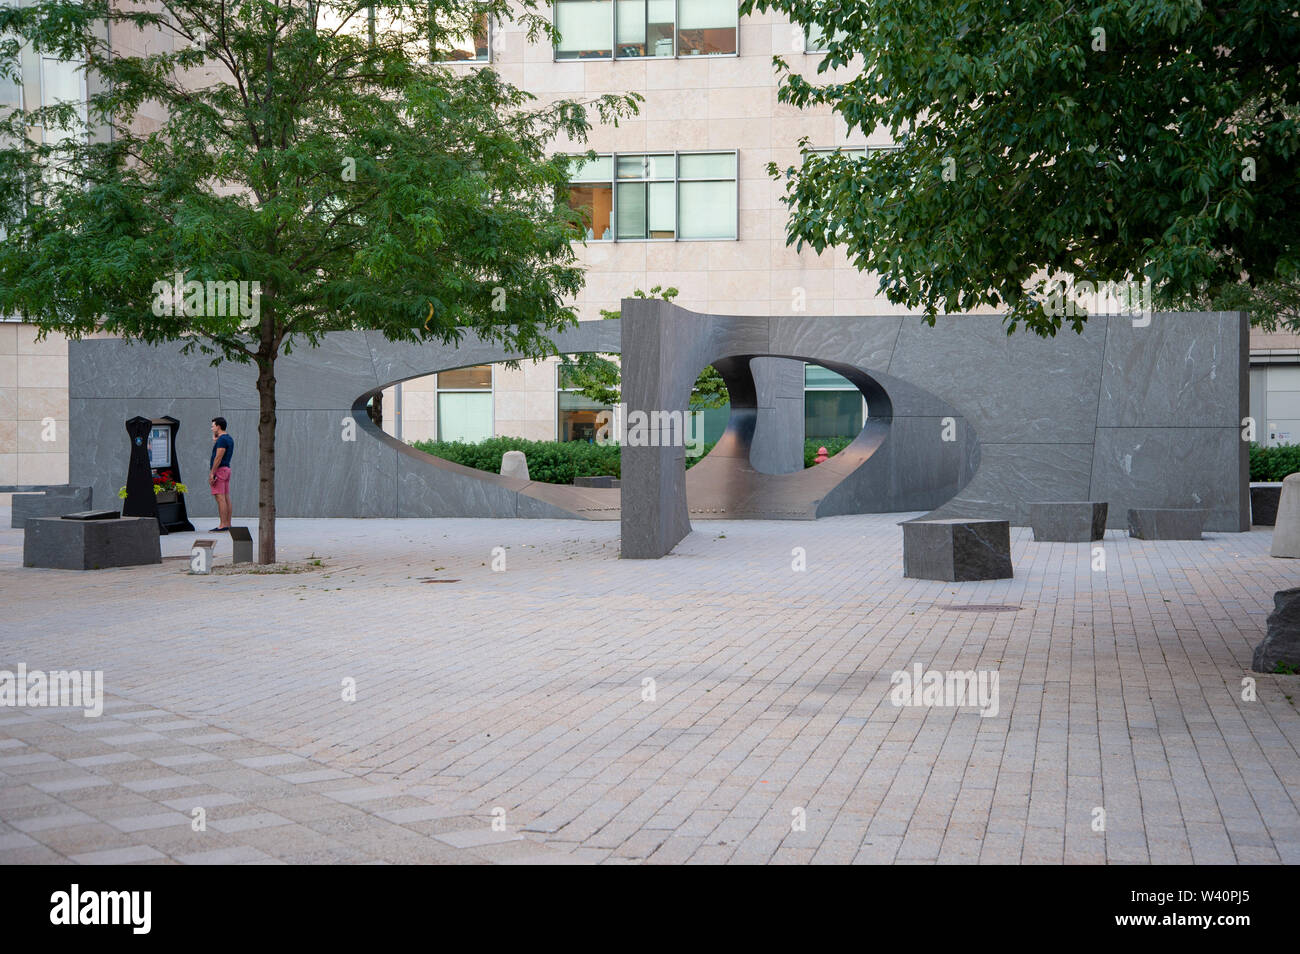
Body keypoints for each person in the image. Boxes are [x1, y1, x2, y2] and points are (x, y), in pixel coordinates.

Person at [208, 417, 234, 531]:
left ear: (218, 426)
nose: (211, 428)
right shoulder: (228, 438)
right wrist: (216, 439)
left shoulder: (222, 440)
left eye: (213, 426)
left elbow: (218, 457)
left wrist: (212, 473)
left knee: (220, 498)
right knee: (226, 497)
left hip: (220, 470)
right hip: (226, 469)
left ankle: (222, 525)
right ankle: (228, 524)